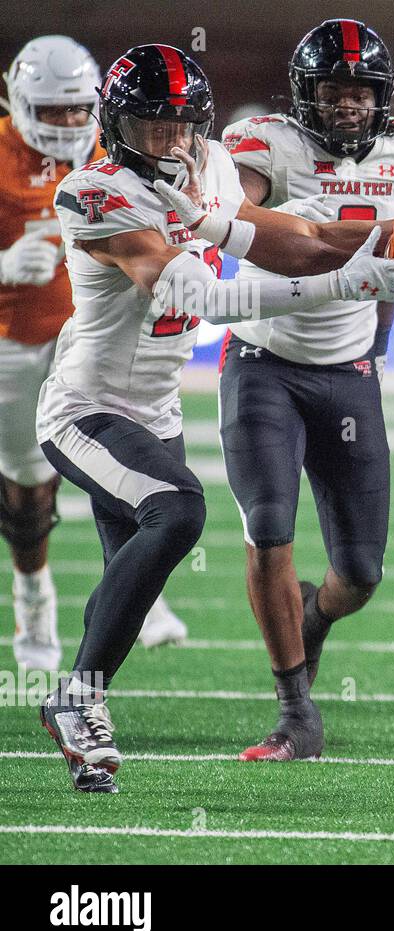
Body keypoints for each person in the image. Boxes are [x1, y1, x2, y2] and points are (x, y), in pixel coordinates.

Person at [38, 43, 394, 793]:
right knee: (178, 511)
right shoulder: (92, 191)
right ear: (117, 124)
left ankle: (86, 727)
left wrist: (388, 242)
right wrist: (351, 279)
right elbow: (201, 298)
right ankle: (75, 698)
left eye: (182, 121)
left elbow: (290, 241)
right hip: (85, 408)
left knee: (132, 576)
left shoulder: (209, 165)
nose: (170, 137)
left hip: (153, 409)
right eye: (152, 122)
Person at [217, 18, 394, 761]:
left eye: (358, 90)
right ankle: (295, 710)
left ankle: (310, 616)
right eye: (331, 90)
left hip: (347, 373)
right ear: (303, 94)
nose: (345, 104)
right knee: (269, 522)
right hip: (264, 361)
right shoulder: (264, 142)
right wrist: (364, 243)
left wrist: (381, 337)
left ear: (383, 97)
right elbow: (238, 220)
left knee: (362, 573)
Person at [1, 36, 187, 674]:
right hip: (14, 337)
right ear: (19, 102)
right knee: (29, 493)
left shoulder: (120, 146)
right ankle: (34, 590)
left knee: (122, 459)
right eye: (52, 111)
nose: (69, 123)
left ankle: (140, 594)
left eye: (80, 109)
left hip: (88, 335)